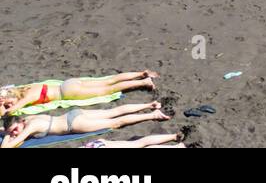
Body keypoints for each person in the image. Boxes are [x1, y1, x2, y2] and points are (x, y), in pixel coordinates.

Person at [1, 100, 170, 148]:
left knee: (115, 122)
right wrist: (6, 130)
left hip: (74, 124)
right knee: (113, 112)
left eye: (15, 129)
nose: (15, 132)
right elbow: (5, 128)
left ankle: (152, 113)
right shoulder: (28, 118)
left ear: (20, 123)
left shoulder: (31, 127)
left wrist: (9, 136)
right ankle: (150, 105)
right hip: (74, 113)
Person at [1, 71, 159, 116]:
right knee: (108, 81)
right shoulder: (28, 88)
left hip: (69, 92)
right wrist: (5, 99)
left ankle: (143, 82)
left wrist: (6, 108)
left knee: (109, 90)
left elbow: (10, 111)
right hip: (68, 83)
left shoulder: (28, 97)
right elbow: (10, 95)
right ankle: (141, 73)